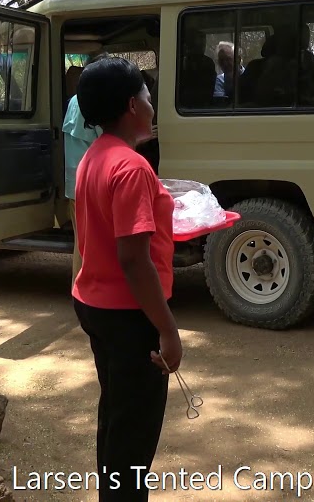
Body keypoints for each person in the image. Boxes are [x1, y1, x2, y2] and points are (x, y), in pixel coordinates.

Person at [72, 56, 182, 501]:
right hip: (128, 315)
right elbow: (134, 260)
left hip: (96, 305)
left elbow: (95, 233)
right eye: (148, 96)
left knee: (117, 417)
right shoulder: (132, 167)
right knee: (134, 434)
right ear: (131, 106)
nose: (153, 105)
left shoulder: (94, 158)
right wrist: (167, 331)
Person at [64, 63, 101, 287]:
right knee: (93, 245)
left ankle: (80, 292)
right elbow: (108, 140)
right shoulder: (93, 104)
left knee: (82, 244)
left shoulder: (72, 102)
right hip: (90, 184)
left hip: (74, 183)